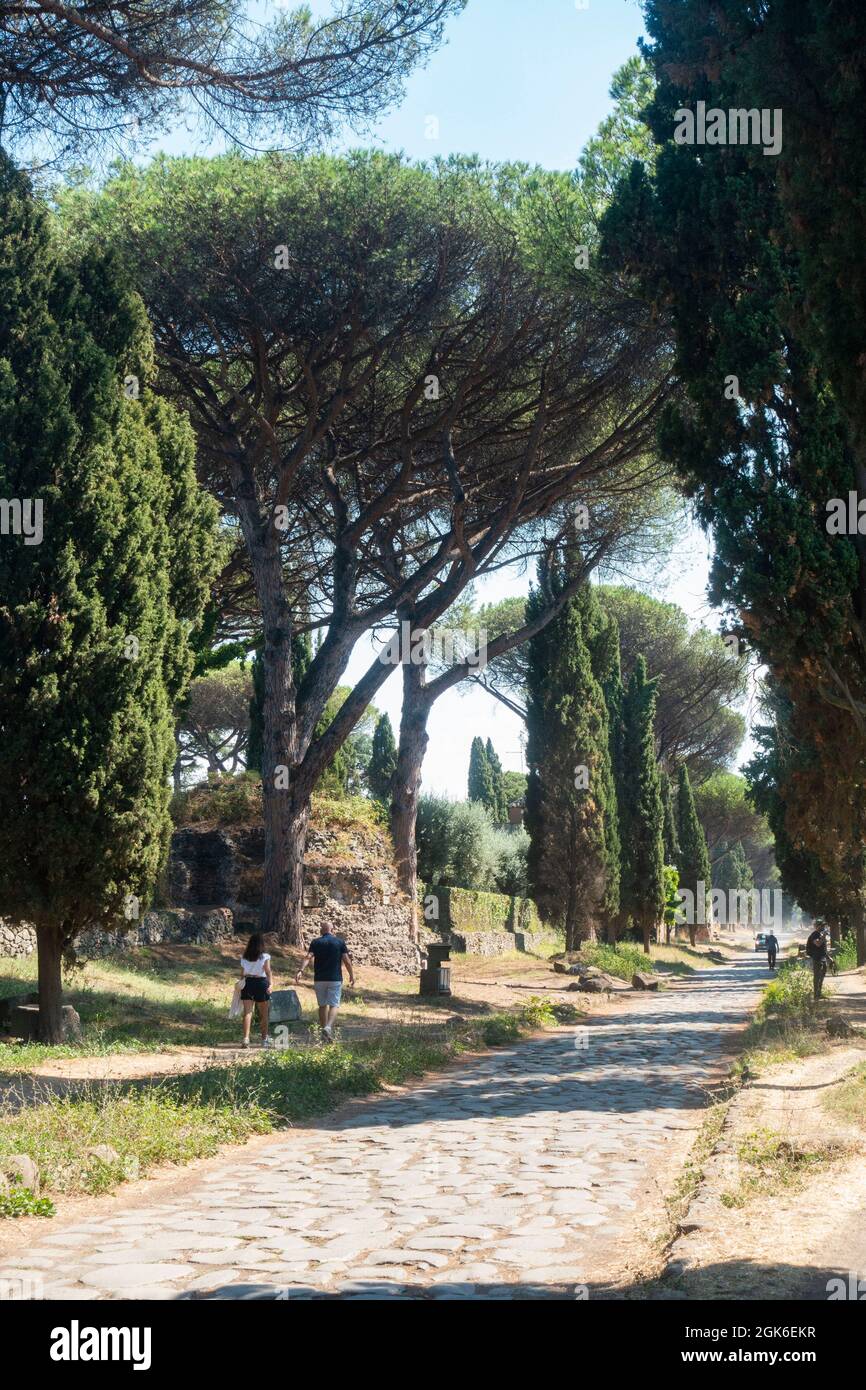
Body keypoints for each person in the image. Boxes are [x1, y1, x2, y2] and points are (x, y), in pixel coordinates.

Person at [295, 922, 354, 1042]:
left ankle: (324, 1034)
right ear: (332, 929)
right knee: (334, 1004)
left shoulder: (316, 942)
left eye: (320, 928)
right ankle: (328, 1027)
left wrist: (300, 970)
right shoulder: (339, 942)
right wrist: (352, 975)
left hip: (319, 979)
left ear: (322, 930)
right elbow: (347, 961)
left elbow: (308, 957)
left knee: (322, 1005)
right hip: (335, 978)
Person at [239, 932, 274, 1048]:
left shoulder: (244, 957)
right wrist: (271, 984)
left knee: (247, 1013)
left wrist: (241, 985)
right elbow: (268, 971)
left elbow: (242, 974)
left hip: (247, 983)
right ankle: (264, 1039)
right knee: (264, 1014)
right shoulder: (265, 956)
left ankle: (245, 1039)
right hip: (261, 983)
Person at [805, 924, 831, 1001]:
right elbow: (818, 944)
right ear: (816, 926)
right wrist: (824, 936)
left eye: (823, 926)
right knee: (817, 977)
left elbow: (823, 949)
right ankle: (816, 995)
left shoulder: (820, 934)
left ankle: (819, 994)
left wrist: (829, 958)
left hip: (822, 958)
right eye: (821, 926)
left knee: (821, 977)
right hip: (817, 959)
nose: (823, 927)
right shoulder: (814, 935)